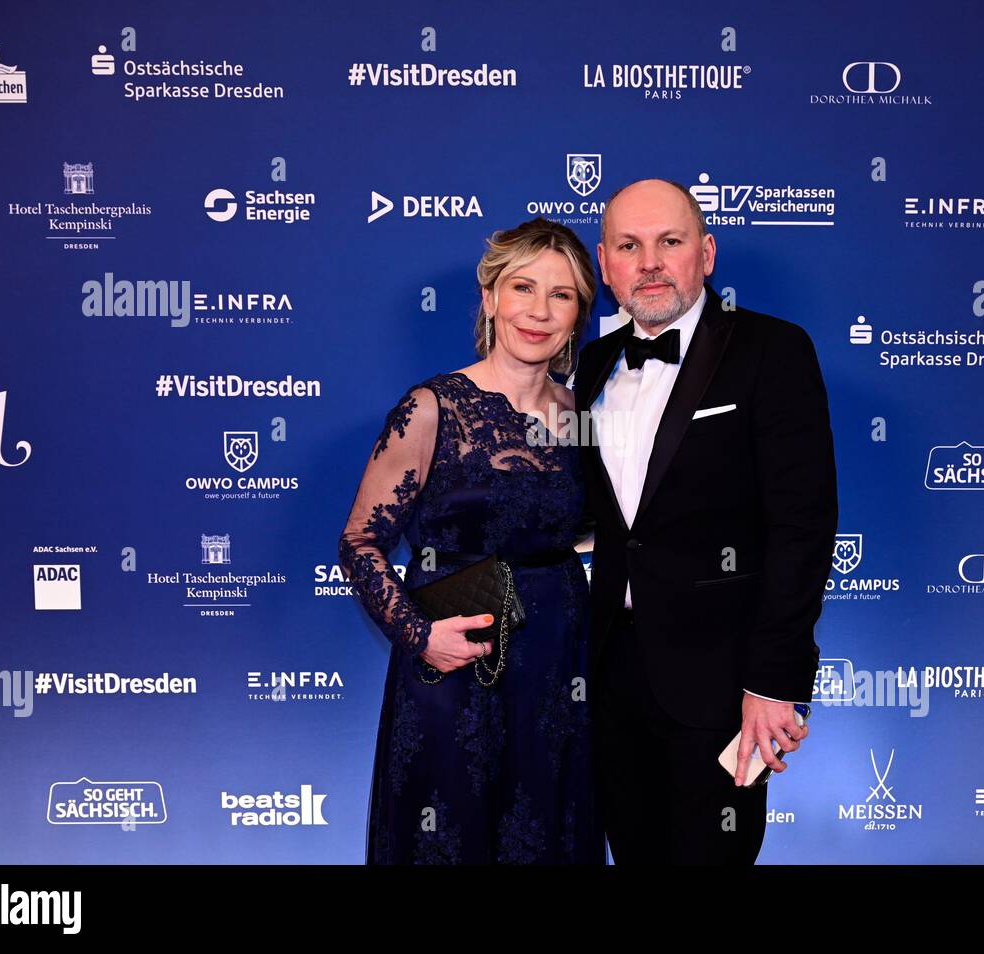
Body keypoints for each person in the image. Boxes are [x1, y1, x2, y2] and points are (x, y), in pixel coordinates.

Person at [573, 178, 839, 864]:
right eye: (629, 246)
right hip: (608, 677)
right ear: (605, 265)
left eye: (670, 241)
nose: (650, 263)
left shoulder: (772, 349)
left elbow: (802, 527)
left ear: (707, 252)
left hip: (724, 684)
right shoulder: (590, 366)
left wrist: (773, 683)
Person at [338, 217, 605, 864]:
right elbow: (360, 542)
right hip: (455, 662)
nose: (539, 311)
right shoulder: (432, 407)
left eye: (561, 295)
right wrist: (420, 635)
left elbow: (595, 532)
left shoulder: (585, 417)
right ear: (490, 298)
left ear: (579, 315)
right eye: (522, 288)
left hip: (556, 667)